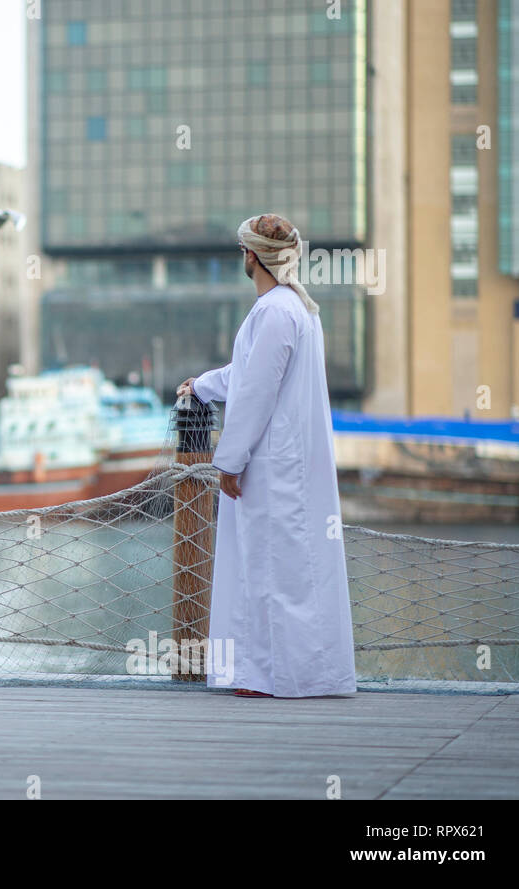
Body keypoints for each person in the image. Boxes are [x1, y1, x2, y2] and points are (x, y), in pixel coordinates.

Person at [176, 213, 356, 698]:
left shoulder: (275, 311)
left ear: (253, 256)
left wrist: (229, 462)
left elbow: (256, 391)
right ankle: (300, 674)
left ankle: (267, 677)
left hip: (274, 467)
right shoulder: (295, 308)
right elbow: (248, 373)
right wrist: (204, 385)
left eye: (243, 250)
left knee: (269, 569)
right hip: (289, 463)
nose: (242, 257)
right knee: (293, 570)